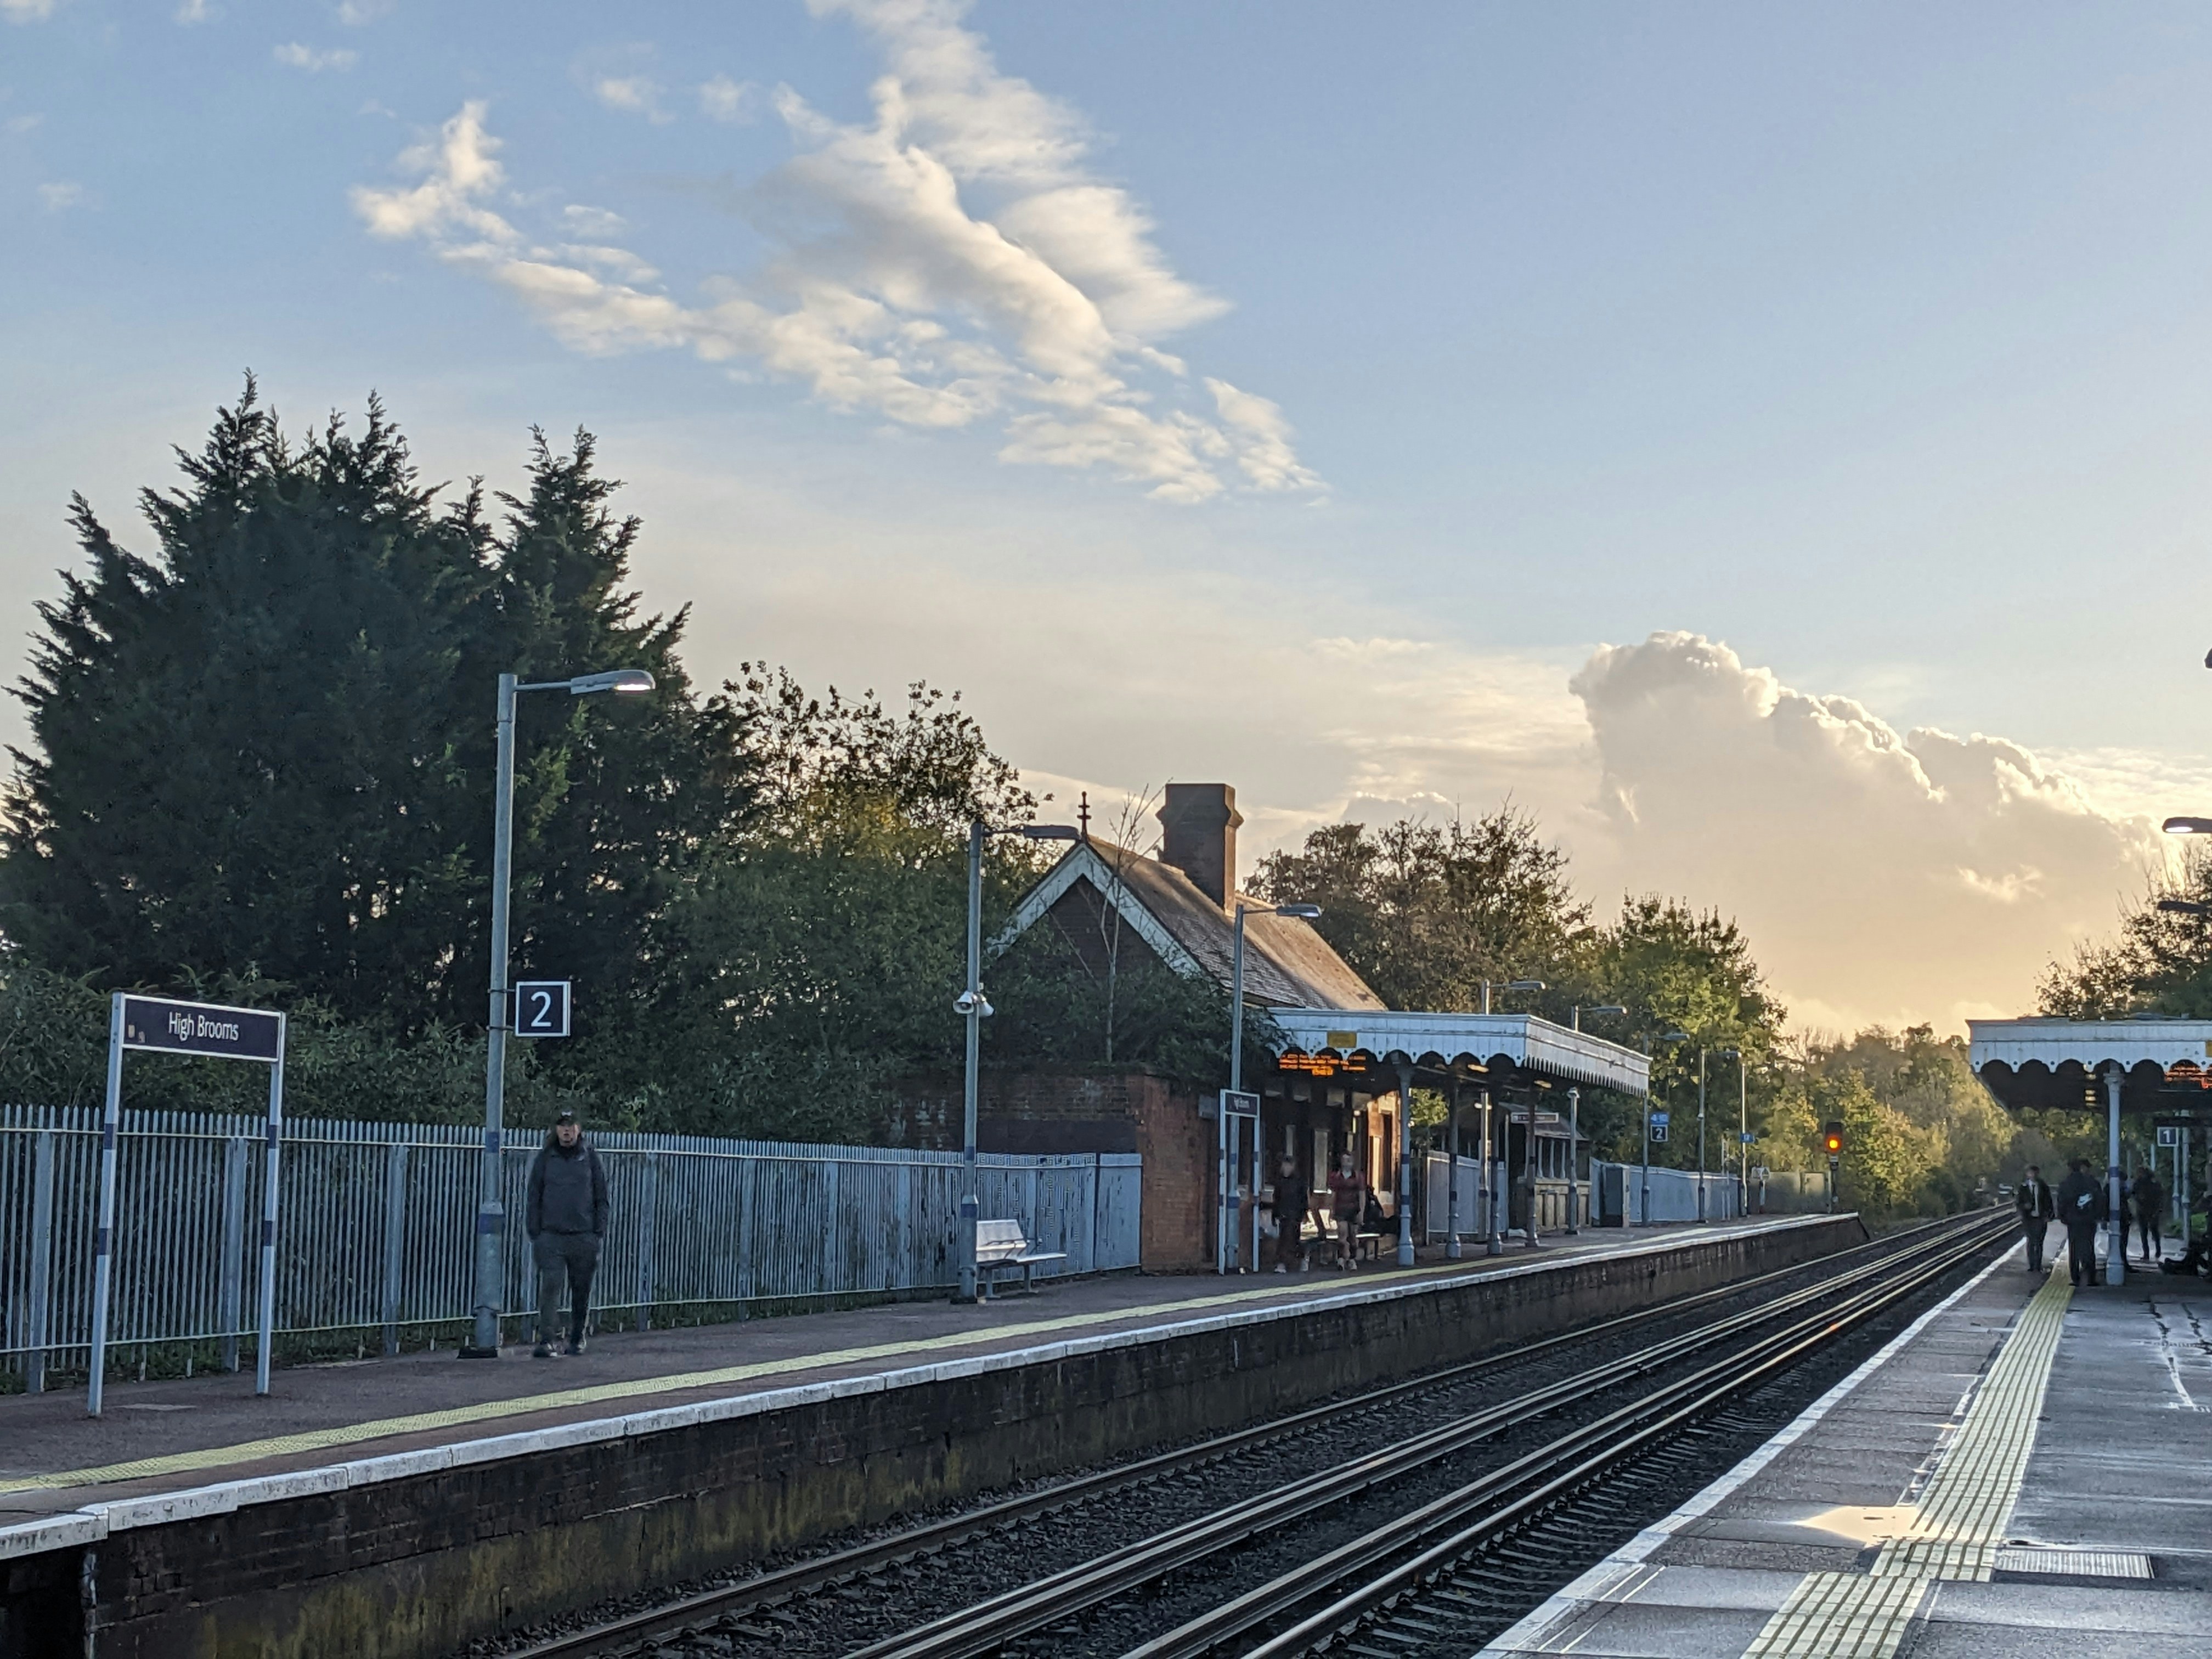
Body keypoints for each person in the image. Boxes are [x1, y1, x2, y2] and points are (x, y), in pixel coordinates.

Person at [526, 1110, 610, 1358]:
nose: (566, 1131)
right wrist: (536, 1232)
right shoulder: (545, 1159)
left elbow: (601, 1197)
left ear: (579, 1129)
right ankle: (547, 1339)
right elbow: (534, 1196)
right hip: (551, 1235)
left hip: (583, 1236)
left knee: (581, 1288)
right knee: (550, 1285)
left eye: (571, 1126)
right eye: (562, 1126)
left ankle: (577, 1337)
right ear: (555, 1129)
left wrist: (598, 1232)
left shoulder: (590, 1158)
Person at [2055, 1156, 2103, 1288]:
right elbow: (2100, 1200)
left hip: (2073, 1221)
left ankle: (2075, 1278)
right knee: (2089, 1247)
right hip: (2089, 1220)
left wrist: (2063, 1217)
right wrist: (2098, 1216)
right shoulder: (2092, 1182)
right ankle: (2090, 1277)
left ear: (2070, 1168)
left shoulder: (2066, 1183)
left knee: (2074, 1249)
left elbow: (2061, 1202)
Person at [1267, 1155, 1309, 1273]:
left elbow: (1303, 1200)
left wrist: (1302, 1214)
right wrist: (1275, 1215)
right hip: (1284, 1214)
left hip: (1295, 1214)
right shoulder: (1280, 1183)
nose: (1286, 1169)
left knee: (1292, 1238)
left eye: (1288, 1166)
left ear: (1293, 1167)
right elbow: (1277, 1199)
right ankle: (1286, 1261)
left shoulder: (1299, 1182)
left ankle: (1290, 1260)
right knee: (1286, 1238)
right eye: (1284, 1166)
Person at [1327, 1149, 1366, 1270]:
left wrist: (1362, 1212)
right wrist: (1331, 1210)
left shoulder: (1358, 1177)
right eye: (1344, 1160)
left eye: (1348, 1160)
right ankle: (1342, 1257)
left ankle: (1352, 1258)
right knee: (1342, 1235)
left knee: (1353, 1237)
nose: (1346, 1163)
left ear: (1352, 1162)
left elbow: (1362, 1194)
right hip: (1341, 1208)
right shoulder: (1336, 1176)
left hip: (1354, 1208)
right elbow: (1333, 1194)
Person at [2014, 1164, 2056, 1274]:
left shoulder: (2043, 1186)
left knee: (2039, 1241)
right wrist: (2024, 1208)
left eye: (2034, 1173)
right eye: (2030, 1173)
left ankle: (2038, 1264)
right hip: (2029, 1219)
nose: (2032, 1175)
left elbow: (2049, 1202)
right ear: (2027, 1174)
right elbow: (2018, 1203)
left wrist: (2049, 1215)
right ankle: (2032, 1265)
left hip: (2041, 1218)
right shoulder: (2023, 1188)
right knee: (2031, 1241)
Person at [2130, 1164, 2166, 1263]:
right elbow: (2161, 1196)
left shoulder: (2139, 1183)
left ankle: (2148, 1253)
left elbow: (2133, 1194)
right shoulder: (2153, 1183)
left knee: (2145, 1232)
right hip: (2149, 1210)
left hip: (2144, 1209)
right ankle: (2156, 1251)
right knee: (2152, 1231)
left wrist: (2138, 1199)